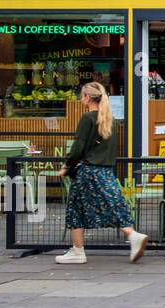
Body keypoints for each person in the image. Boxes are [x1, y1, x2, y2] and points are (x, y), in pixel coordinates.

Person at [56, 82, 149, 264]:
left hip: (88, 171)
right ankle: (131, 235)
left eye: (81, 95)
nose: (80, 98)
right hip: (106, 171)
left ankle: (79, 250)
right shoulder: (110, 119)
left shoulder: (87, 118)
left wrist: (67, 166)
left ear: (87, 98)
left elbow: (78, 147)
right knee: (114, 204)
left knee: (76, 209)